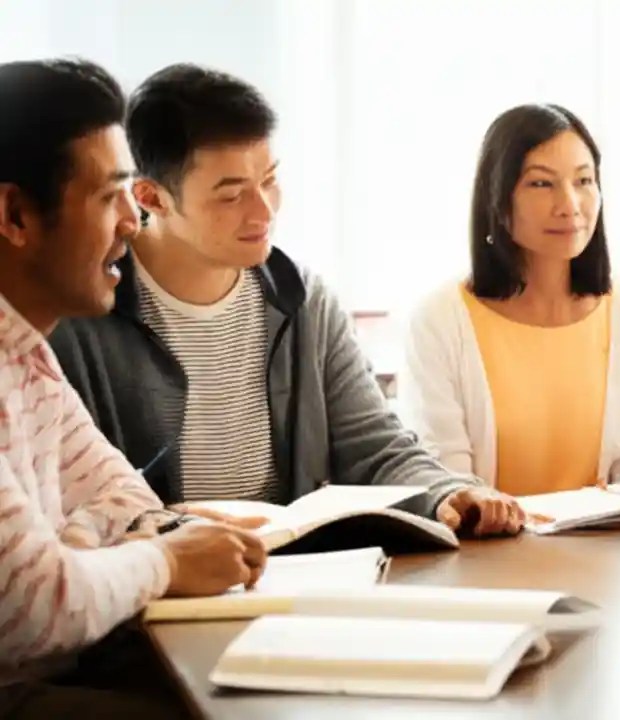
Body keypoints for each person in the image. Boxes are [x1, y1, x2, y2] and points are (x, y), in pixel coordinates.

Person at [48, 64, 522, 536]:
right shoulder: (83, 314)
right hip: (156, 579)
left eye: (269, 180)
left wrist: (446, 492)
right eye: (231, 196)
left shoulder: (303, 301)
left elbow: (376, 449)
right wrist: (166, 528)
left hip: (285, 572)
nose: (264, 210)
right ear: (149, 196)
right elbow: (69, 498)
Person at [0, 57, 268, 719]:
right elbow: (41, 607)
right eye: (110, 195)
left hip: (65, 665)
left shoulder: (26, 350)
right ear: (14, 214)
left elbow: (125, 497)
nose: (132, 220)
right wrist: (163, 560)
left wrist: (79, 545)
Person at [403, 103, 620, 495]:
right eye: (541, 184)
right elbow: (449, 484)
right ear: (497, 198)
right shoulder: (441, 319)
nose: (570, 206)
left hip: (612, 551)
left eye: (584, 181)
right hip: (487, 553)